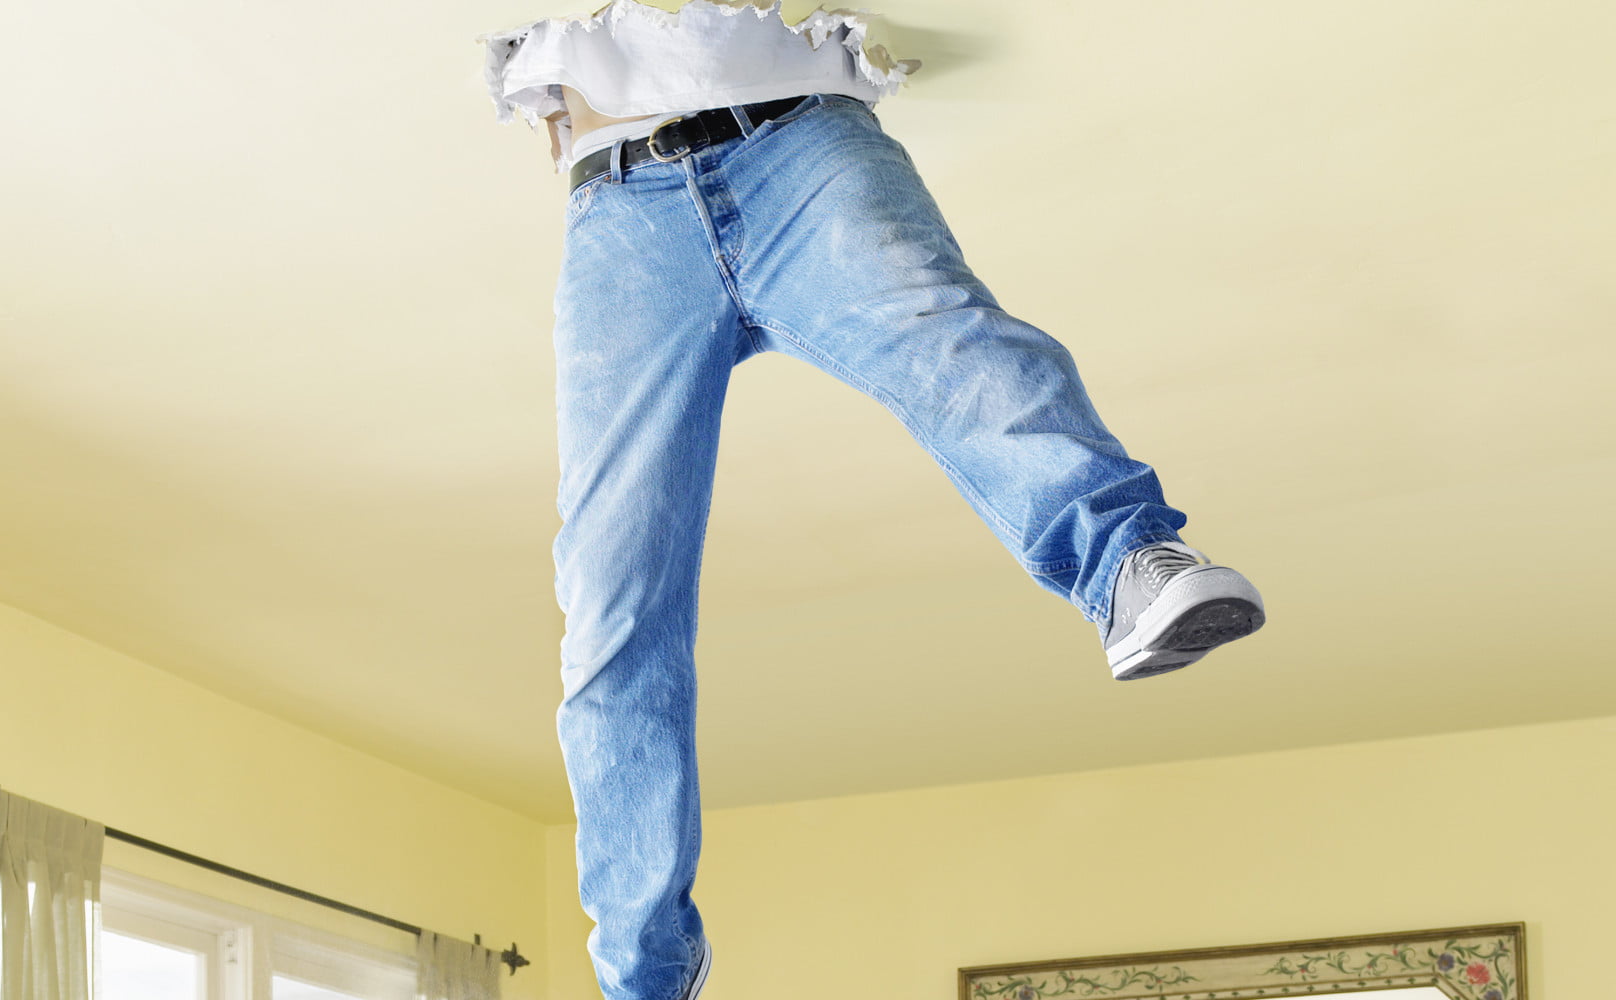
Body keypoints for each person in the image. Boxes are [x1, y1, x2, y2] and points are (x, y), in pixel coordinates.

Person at [477, 3, 1265, 998]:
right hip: (621, 203)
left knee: (955, 347)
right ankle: (644, 970)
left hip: (799, 143)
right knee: (610, 581)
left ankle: (1128, 568)